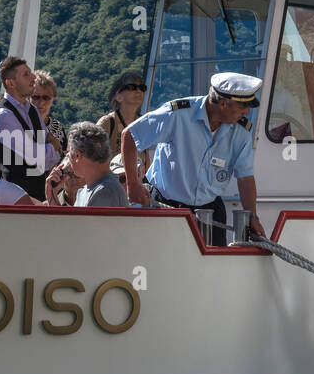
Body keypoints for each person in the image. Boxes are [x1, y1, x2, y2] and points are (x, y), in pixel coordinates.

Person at [121, 72, 266, 246]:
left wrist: (252, 215)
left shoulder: (241, 132)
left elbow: (245, 178)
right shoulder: (176, 115)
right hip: (165, 206)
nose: (247, 112)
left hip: (210, 212)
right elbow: (130, 135)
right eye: (243, 107)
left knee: (213, 269)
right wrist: (133, 184)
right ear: (222, 104)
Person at [0, 55, 61, 200]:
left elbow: (48, 139)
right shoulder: (3, 116)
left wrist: (49, 144)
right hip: (14, 199)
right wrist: (52, 148)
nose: (33, 77)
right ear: (11, 83)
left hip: (38, 196)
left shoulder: (31, 109)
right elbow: (36, 156)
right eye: (26, 74)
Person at [98, 72, 153, 185]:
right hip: (112, 185)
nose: (139, 91)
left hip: (138, 184)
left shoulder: (144, 123)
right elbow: (92, 156)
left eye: (142, 88)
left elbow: (147, 160)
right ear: (118, 96)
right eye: (132, 87)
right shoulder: (107, 123)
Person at [67, 122, 129, 208]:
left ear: (78, 155)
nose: (68, 159)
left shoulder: (106, 191)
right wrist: (52, 195)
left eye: (68, 153)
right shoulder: (85, 191)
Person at [32, 70, 66, 149]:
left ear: (53, 99)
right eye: (35, 97)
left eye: (46, 98)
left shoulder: (57, 128)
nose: (41, 102)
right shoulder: (18, 125)